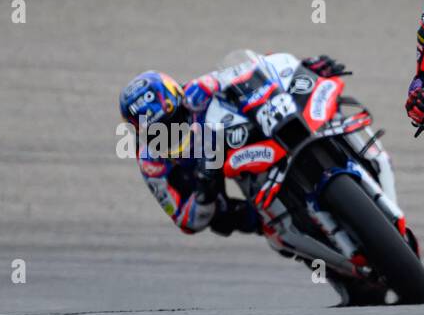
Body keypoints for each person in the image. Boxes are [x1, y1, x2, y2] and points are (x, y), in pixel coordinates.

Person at [118, 55, 349, 235]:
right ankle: (286, 229)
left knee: (313, 105)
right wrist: (204, 191)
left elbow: (257, 67)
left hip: (250, 136)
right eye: (160, 131)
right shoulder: (151, 162)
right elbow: (185, 221)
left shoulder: (200, 89)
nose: (173, 132)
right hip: (218, 172)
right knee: (225, 220)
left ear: (180, 98)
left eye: (176, 120)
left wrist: (305, 71)